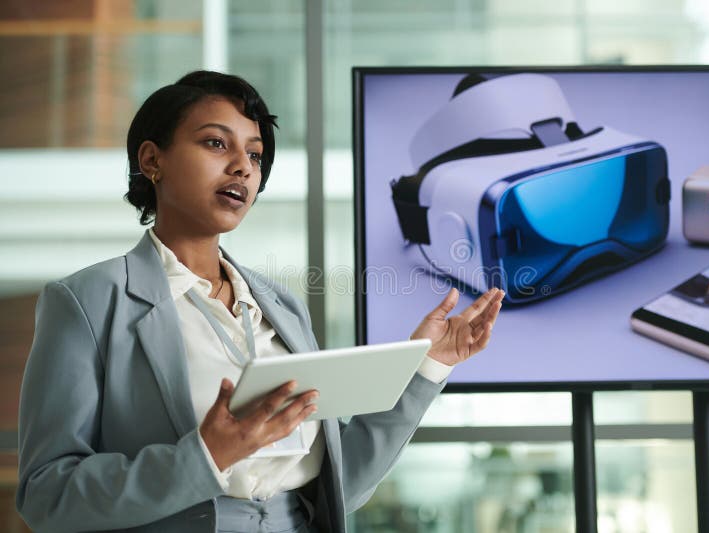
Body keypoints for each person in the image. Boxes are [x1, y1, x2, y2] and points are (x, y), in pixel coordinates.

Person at [15, 70, 503, 533]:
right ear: (151, 160)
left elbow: (341, 487)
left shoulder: (281, 307)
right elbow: (47, 495)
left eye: (255, 155)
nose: (242, 168)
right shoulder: (87, 302)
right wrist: (204, 456)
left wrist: (427, 368)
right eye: (215, 143)